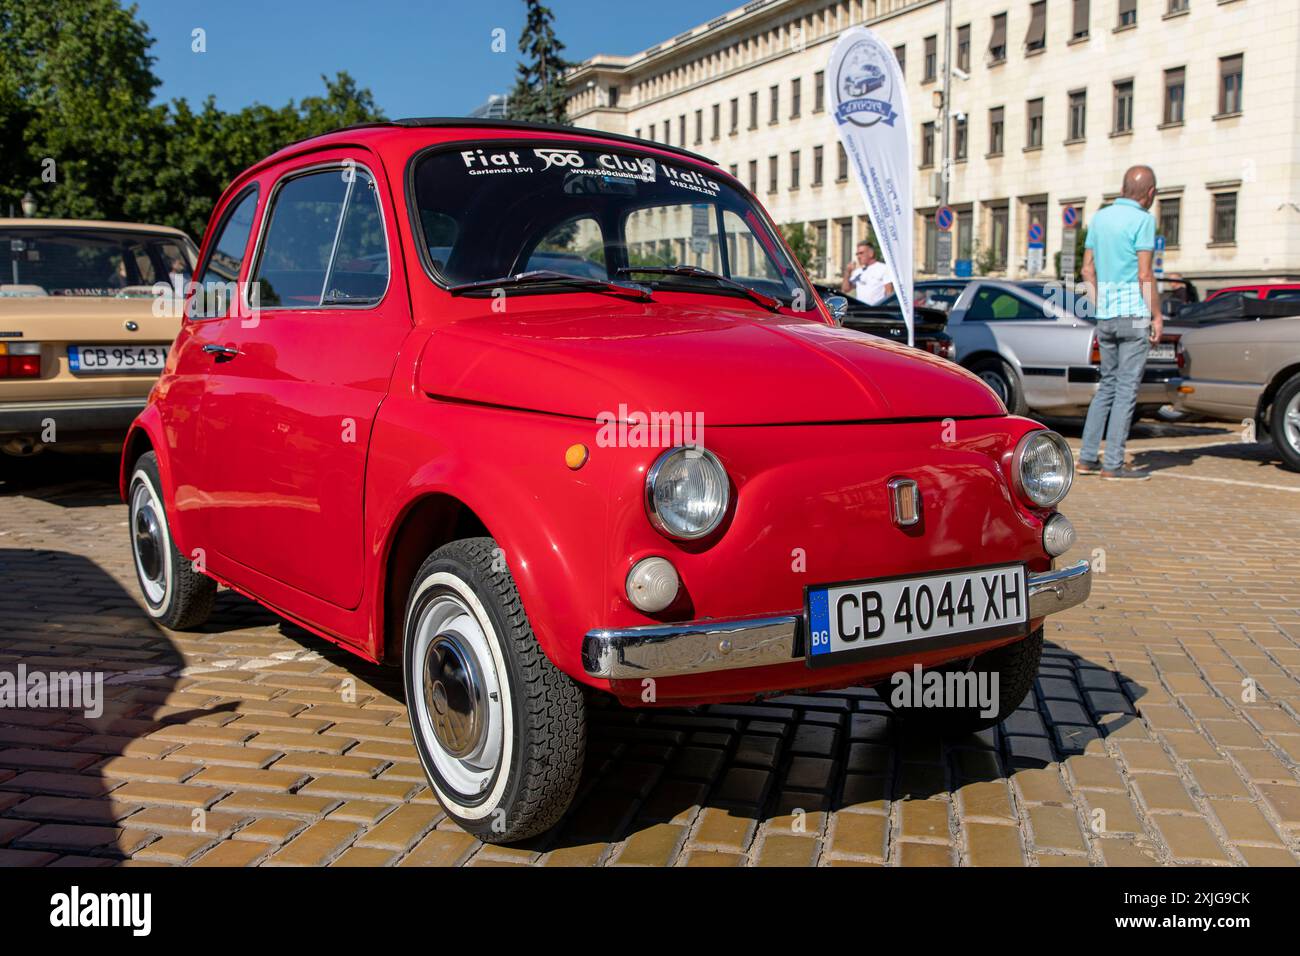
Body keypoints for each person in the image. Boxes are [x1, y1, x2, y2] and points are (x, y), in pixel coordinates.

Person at [1078, 165, 1162, 481]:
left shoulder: (1100, 218)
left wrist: (1101, 305)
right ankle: (1112, 464)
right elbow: (1144, 274)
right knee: (1126, 389)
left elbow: (1087, 271)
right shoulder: (1143, 220)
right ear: (1150, 193)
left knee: (1107, 388)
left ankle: (1087, 459)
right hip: (1134, 315)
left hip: (1107, 316)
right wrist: (1156, 315)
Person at [841, 241, 893, 306]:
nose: (858, 256)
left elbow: (889, 292)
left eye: (861, 253)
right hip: (861, 311)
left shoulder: (884, 268)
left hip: (877, 311)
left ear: (871, 253)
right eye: (857, 254)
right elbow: (845, 289)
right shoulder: (858, 272)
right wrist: (847, 272)